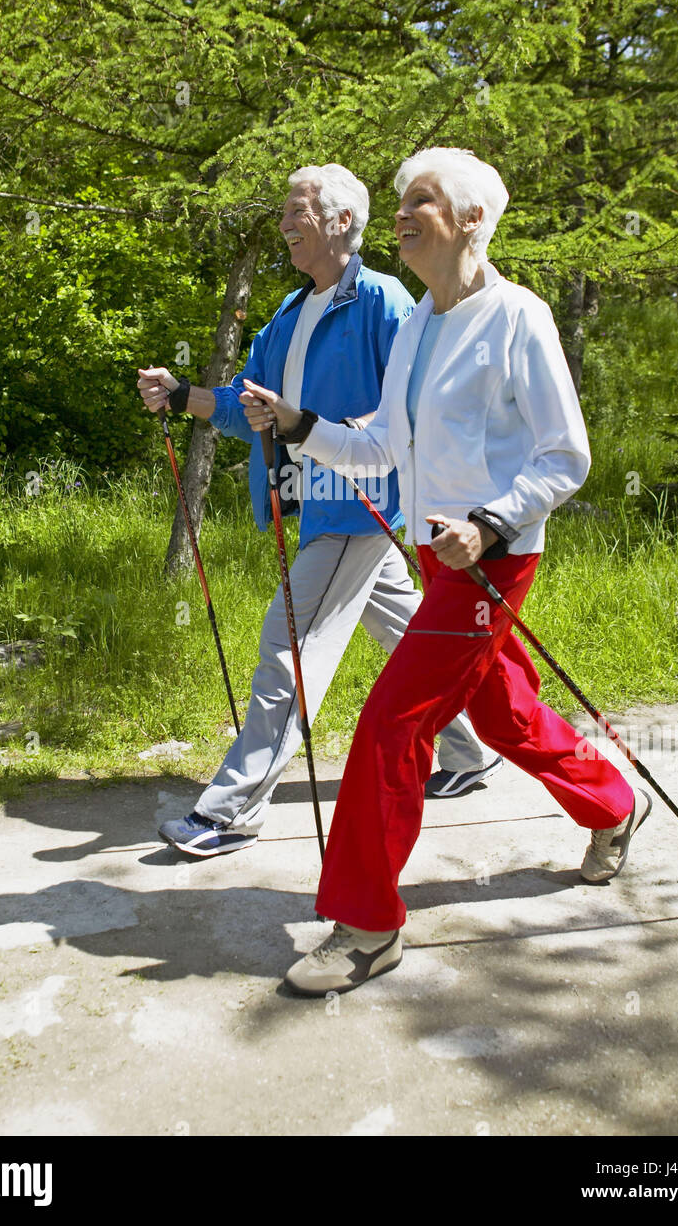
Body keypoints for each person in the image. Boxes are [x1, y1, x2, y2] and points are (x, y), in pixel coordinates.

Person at [240, 147, 651, 994]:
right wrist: (298, 422)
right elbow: (380, 447)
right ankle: (614, 803)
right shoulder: (422, 321)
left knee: (392, 725)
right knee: (503, 713)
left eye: (419, 200)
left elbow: (563, 456)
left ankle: (366, 924)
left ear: (469, 219)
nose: (401, 213)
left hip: (492, 561)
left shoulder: (517, 316)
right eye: (398, 200)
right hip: (437, 555)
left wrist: (492, 521)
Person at [137, 163, 502, 859]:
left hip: (360, 506)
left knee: (288, 649)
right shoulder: (286, 313)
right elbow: (252, 412)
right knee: (408, 636)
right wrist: (183, 394)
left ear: (341, 222)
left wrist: (346, 434)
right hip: (311, 509)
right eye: (283, 211)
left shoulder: (381, 300)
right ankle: (469, 750)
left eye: (295, 209)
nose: (283, 223)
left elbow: (417, 398)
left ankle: (232, 811)